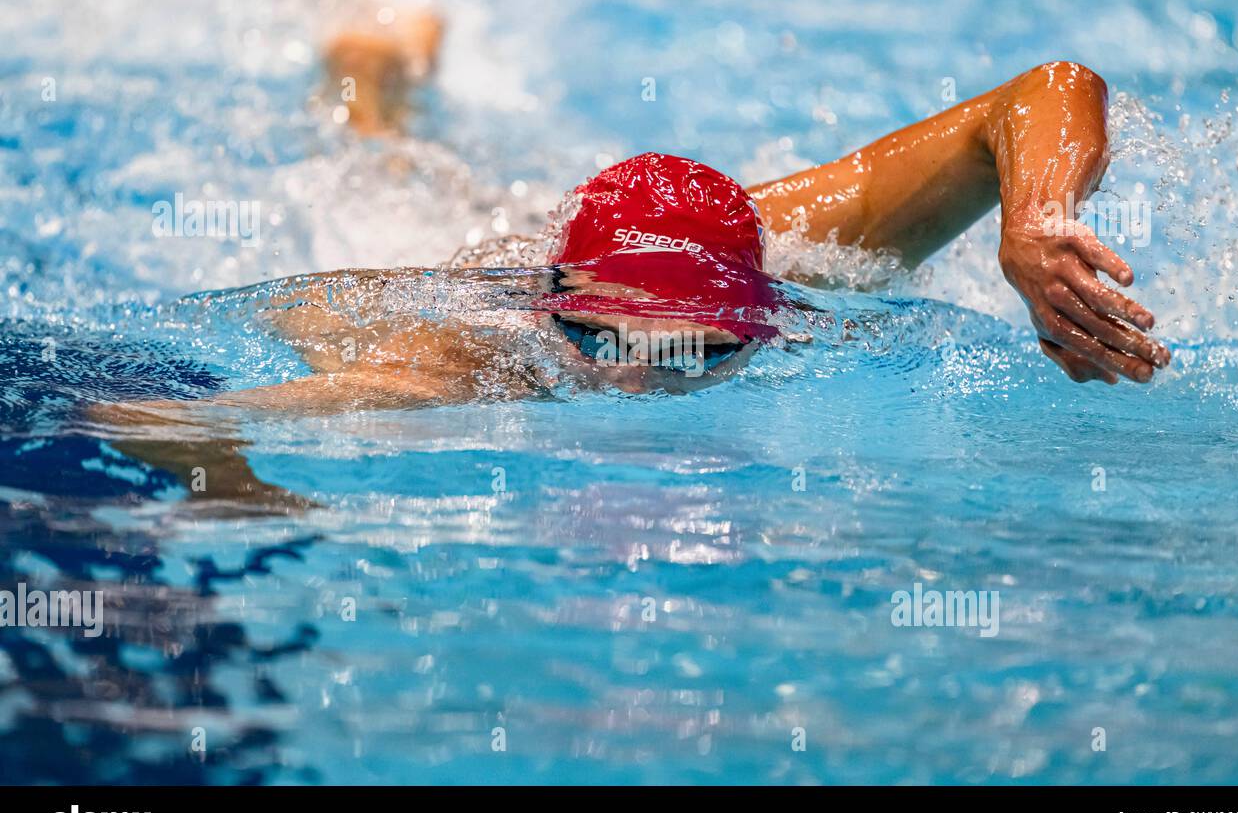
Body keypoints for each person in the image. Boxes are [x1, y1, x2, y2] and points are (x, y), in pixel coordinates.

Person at [87, 61, 1170, 505]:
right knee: (382, 161)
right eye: (610, 344)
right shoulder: (469, 362)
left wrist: (1037, 221)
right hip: (437, 257)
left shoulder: (801, 249)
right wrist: (226, 468)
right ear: (560, 315)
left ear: (762, 319)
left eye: (695, 351)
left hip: (569, 235)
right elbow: (149, 419)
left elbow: (1047, 88)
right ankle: (370, 64)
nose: (644, 383)